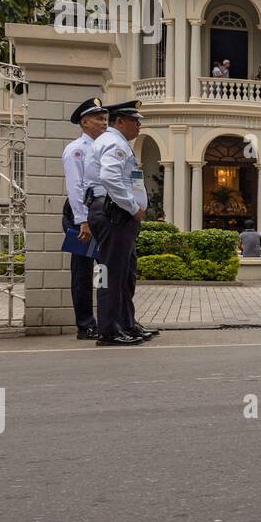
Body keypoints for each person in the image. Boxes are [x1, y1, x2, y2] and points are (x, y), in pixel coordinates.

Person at [84, 101, 159, 346]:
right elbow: (109, 177)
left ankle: (126, 324)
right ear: (119, 122)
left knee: (125, 273)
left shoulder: (117, 143)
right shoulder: (113, 142)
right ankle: (109, 330)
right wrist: (132, 206)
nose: (139, 125)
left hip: (116, 214)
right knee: (110, 273)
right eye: (134, 120)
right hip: (113, 213)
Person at [62, 98, 108, 339]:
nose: (104, 122)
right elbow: (75, 188)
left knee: (104, 268)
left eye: (105, 118)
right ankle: (86, 324)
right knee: (82, 270)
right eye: (99, 118)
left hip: (100, 213)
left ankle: (106, 319)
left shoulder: (103, 147)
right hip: (82, 214)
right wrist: (83, 220)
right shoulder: (76, 150)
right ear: (84, 122)